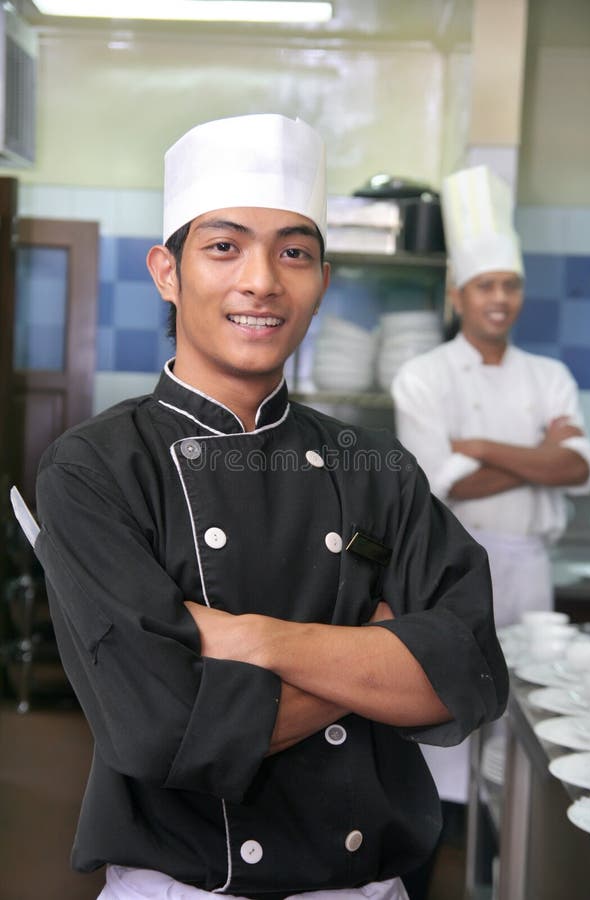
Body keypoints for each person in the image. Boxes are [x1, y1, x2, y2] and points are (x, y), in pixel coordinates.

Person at [29, 116, 508, 900]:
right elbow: (162, 726)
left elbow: (470, 669)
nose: (262, 280)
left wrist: (252, 641)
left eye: (295, 251)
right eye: (224, 247)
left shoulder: (374, 463)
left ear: (322, 277)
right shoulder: (94, 469)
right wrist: (374, 655)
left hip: (364, 888)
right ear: (166, 271)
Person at [391, 164, 590, 807]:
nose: (500, 298)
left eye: (511, 285)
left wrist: (477, 448)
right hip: (450, 567)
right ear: (458, 294)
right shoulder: (421, 376)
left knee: (525, 707)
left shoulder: (548, 375)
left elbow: (581, 470)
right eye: (486, 286)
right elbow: (437, 487)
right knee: (445, 696)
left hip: (528, 571)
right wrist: (540, 453)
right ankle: (445, 825)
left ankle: (504, 836)